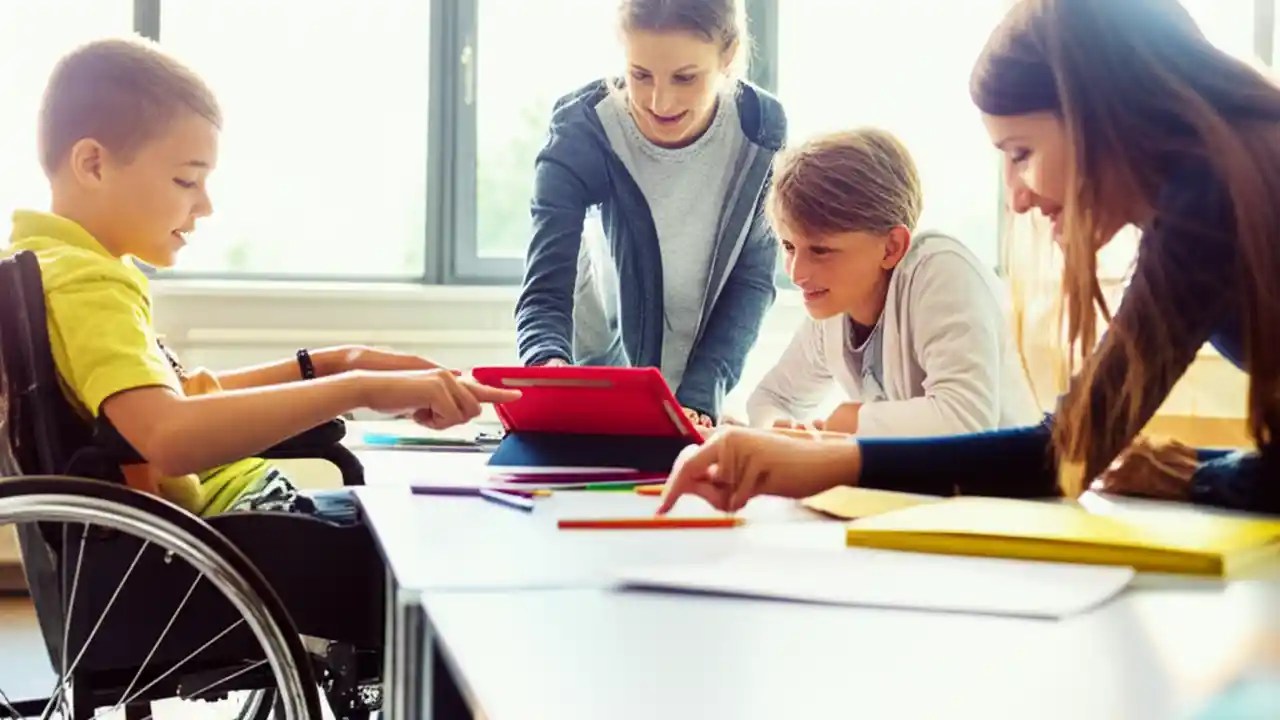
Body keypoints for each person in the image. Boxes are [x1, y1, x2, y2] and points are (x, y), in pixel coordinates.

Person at [658, 0, 1280, 515]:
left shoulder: (1208, 200)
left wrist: (828, 457)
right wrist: (1199, 469)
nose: (1018, 195)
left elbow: (1057, 457)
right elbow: (1079, 448)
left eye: (1020, 152)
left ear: (1099, 113)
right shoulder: (1219, 186)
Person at [7, 36, 519, 652]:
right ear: (92, 163)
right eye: (185, 179)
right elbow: (170, 436)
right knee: (446, 546)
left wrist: (336, 363)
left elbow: (176, 402)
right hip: (206, 549)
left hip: (203, 533)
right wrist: (356, 390)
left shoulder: (46, 264)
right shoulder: (92, 283)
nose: (205, 205)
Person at [514, 0, 787, 426]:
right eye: (639, 75)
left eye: (685, 77)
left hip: (697, 389)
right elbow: (547, 285)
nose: (660, 101)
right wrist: (546, 370)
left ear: (728, 56)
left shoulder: (760, 128)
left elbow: (751, 279)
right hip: (593, 377)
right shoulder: (582, 128)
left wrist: (702, 394)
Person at [744, 128, 1039, 436]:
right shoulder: (835, 306)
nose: (796, 273)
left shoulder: (942, 271)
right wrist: (779, 428)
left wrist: (849, 421)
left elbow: (966, 419)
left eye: (820, 250)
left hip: (1003, 482)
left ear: (892, 247)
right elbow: (771, 398)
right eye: (789, 247)